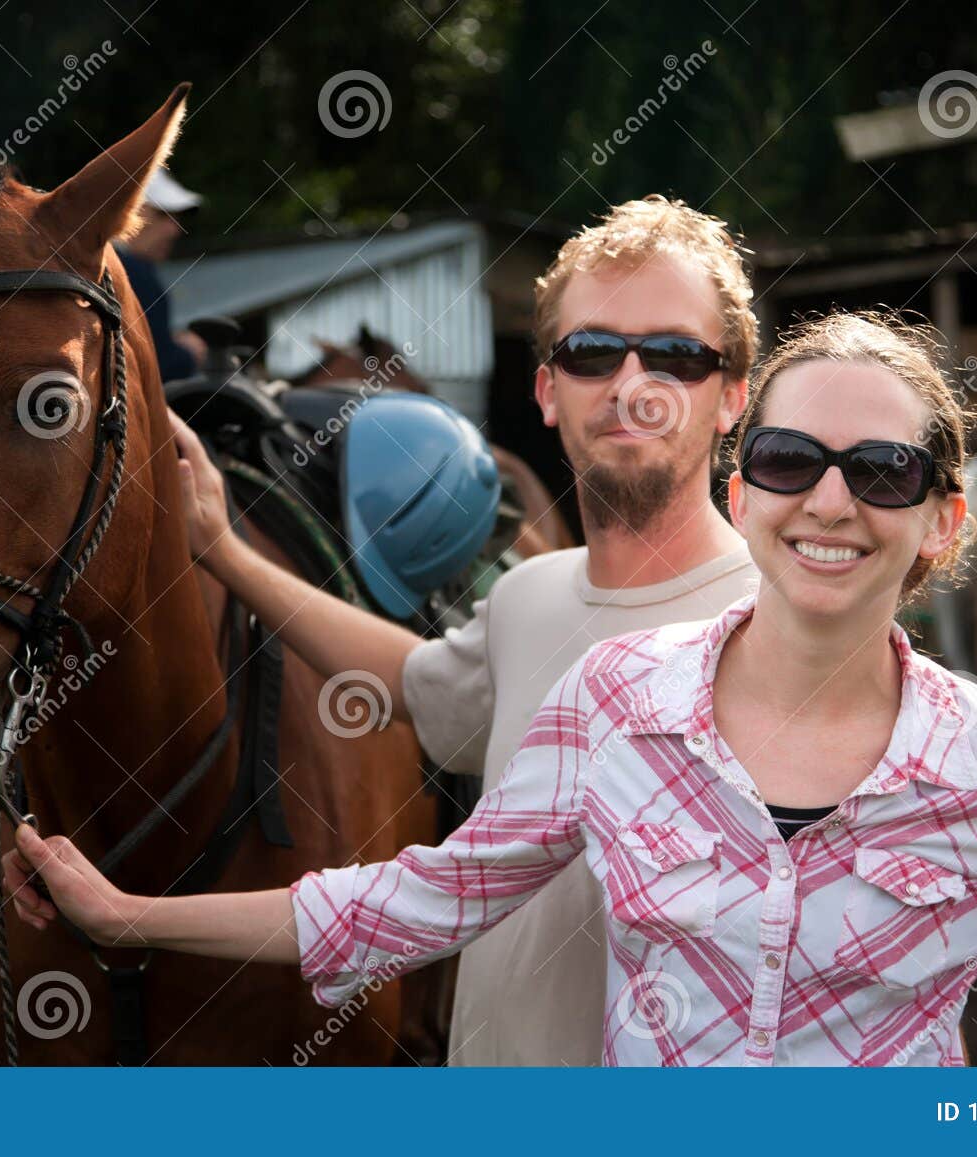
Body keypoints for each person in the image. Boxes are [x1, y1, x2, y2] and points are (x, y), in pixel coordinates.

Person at [5, 310, 977, 1066]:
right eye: (789, 457)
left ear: (942, 526)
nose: (830, 499)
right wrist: (124, 918)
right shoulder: (616, 697)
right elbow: (419, 898)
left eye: (884, 471)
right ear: (742, 489)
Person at [165, 195, 762, 1065]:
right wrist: (226, 551)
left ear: (733, 395)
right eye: (592, 353)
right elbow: (417, 682)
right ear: (547, 392)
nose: (632, 386)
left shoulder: (782, 628)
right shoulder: (528, 600)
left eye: (675, 355)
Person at [114, 167, 206, 382]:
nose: (174, 230)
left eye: (176, 218)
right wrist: (191, 354)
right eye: (162, 214)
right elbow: (157, 368)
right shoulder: (133, 274)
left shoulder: (93, 266)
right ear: (126, 212)